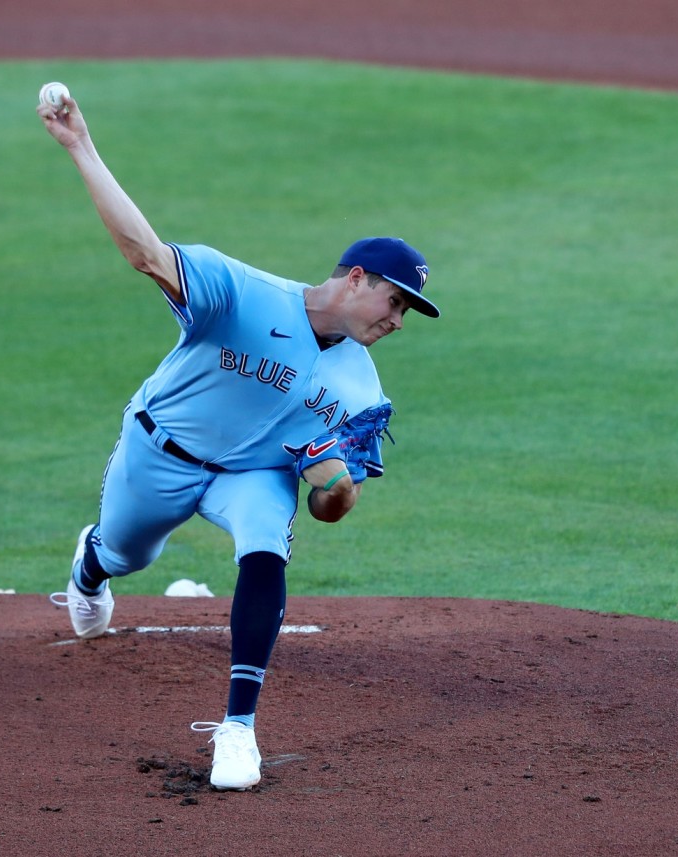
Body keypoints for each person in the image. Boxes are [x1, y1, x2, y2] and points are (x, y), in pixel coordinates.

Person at [39, 88, 440, 791]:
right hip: (159, 450)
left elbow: (332, 503)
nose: (399, 319)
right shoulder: (240, 291)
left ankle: (238, 729)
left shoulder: (363, 392)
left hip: (253, 473)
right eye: (396, 300)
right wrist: (81, 146)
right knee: (125, 550)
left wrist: (336, 493)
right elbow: (143, 251)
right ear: (355, 278)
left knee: (266, 546)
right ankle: (90, 566)